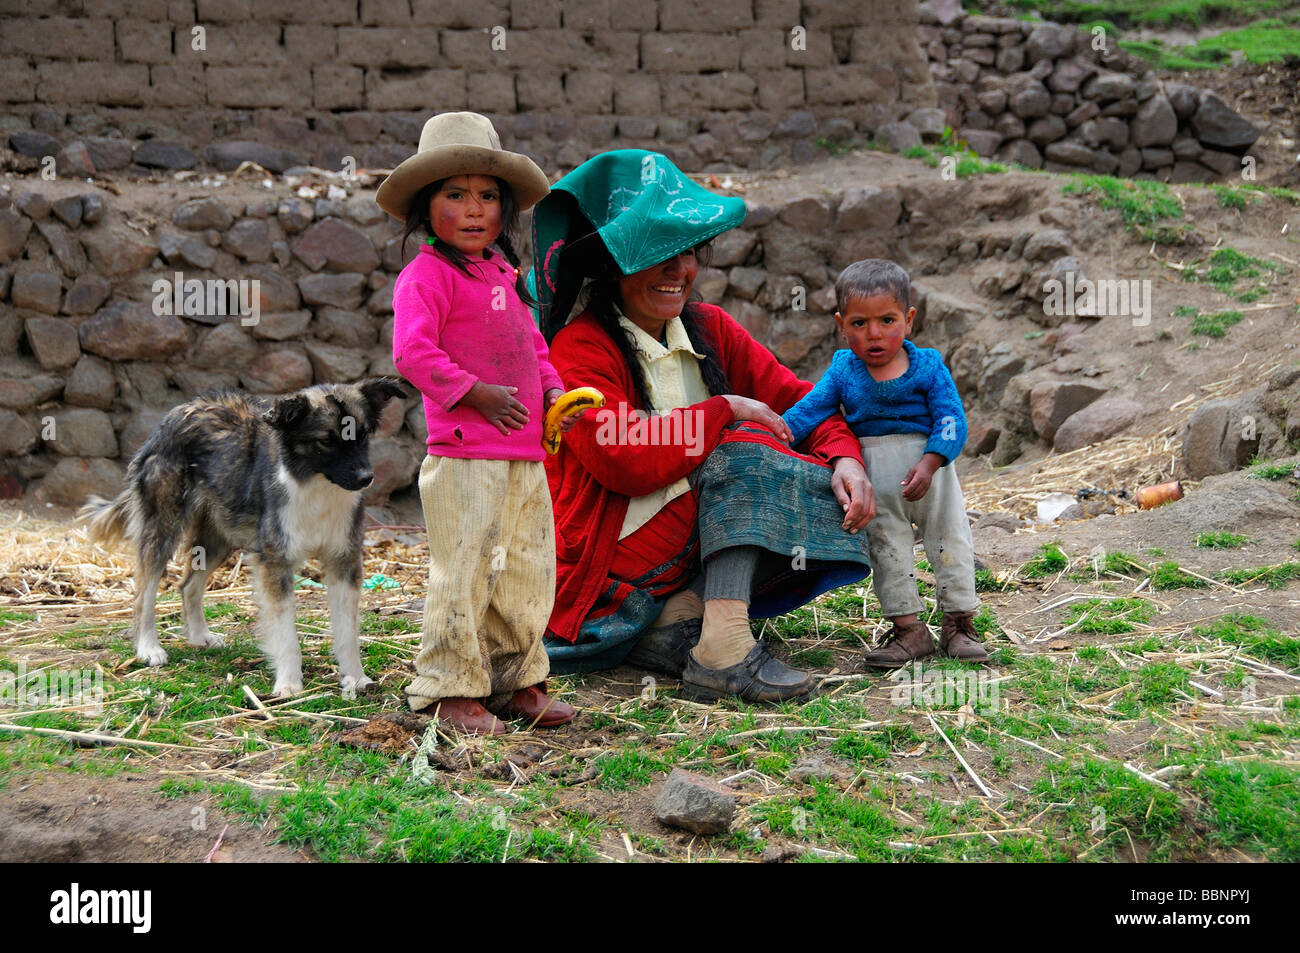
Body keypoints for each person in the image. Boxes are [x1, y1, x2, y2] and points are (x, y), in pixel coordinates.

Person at [530, 149, 877, 703]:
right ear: (611, 265)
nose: (678, 271)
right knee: (746, 451)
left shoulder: (710, 327)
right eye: (657, 254)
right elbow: (623, 459)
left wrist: (846, 457)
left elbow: (800, 404)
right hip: (606, 558)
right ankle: (723, 650)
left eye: (687, 252)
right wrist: (725, 411)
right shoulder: (580, 349)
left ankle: (678, 617)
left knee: (815, 478)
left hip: (676, 539)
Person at [377, 111, 577, 734]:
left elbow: (533, 347)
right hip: (465, 456)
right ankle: (447, 689)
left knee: (526, 567)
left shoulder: (504, 275)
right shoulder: (426, 276)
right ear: (423, 208)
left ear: (506, 209)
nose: (473, 210)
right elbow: (413, 353)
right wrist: (475, 394)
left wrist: (553, 393)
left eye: (488, 197)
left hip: (523, 455)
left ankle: (517, 679)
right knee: (464, 569)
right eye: (455, 195)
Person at [782, 259, 988, 667]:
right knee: (887, 551)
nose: (874, 334)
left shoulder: (928, 365)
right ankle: (909, 631)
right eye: (859, 323)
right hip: (874, 481)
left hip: (934, 476)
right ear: (842, 324)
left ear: (909, 319)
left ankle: (959, 624)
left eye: (887, 320)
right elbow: (810, 411)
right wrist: (776, 431)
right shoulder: (844, 369)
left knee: (951, 541)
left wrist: (930, 462)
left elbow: (951, 419)